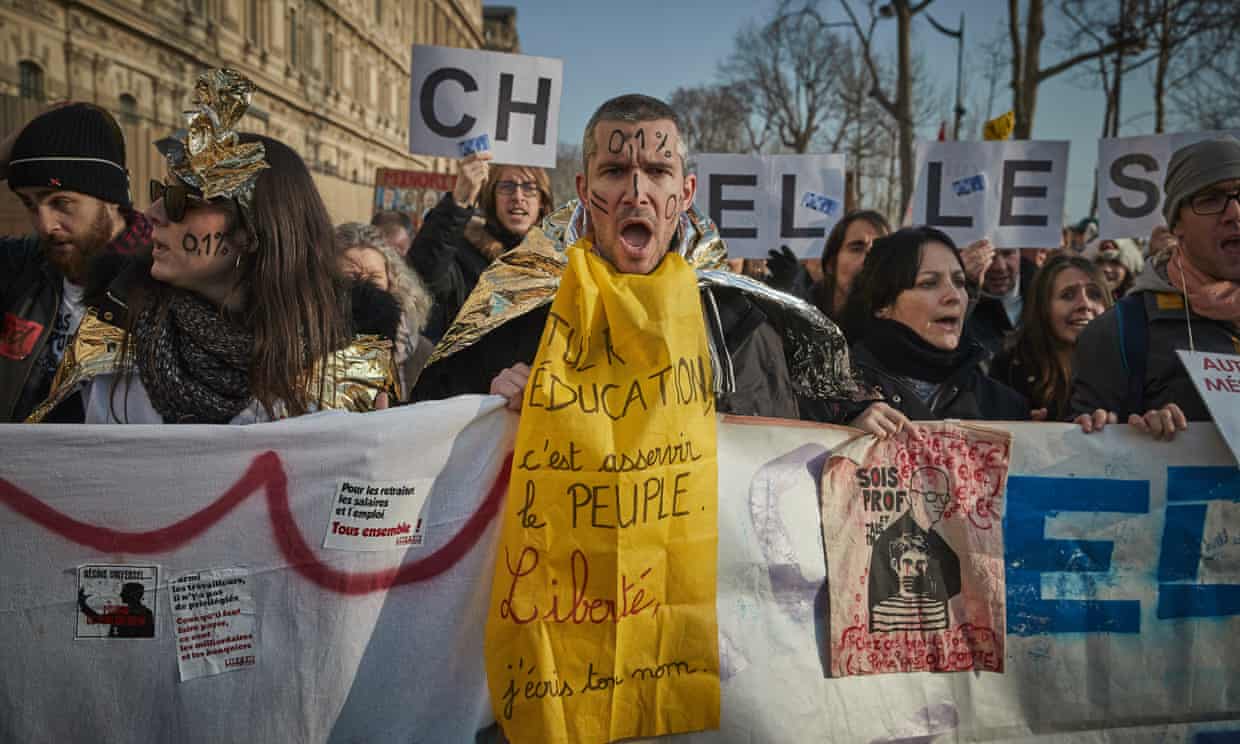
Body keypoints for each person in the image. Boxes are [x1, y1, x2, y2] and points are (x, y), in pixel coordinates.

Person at [415, 94, 861, 419]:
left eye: (656, 171)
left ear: (685, 193)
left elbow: (777, 451)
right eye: (614, 171)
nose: (636, 193)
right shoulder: (522, 307)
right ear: (585, 191)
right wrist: (487, 401)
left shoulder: (737, 323)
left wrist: (856, 418)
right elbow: (433, 420)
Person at [28, 69, 399, 424]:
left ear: (250, 233)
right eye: (159, 193)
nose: (152, 213)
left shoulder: (350, 365)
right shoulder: (112, 336)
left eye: (179, 201)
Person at [1071, 136, 1240, 441]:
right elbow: (1084, 460)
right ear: (1177, 224)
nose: (1235, 213)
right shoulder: (1120, 331)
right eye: (1211, 199)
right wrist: (1127, 433)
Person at [0, 103, 153, 422]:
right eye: (30, 204)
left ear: (111, 197)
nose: (45, 225)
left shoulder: (160, 280)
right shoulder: (24, 268)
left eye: (61, 202)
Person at [827, 226, 1029, 433]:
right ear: (883, 304)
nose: (954, 296)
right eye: (929, 283)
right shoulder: (832, 397)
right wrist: (844, 434)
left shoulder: (1006, 406)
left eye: (959, 282)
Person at [408, 151, 552, 341]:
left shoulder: (561, 263)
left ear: (542, 201)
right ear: (492, 197)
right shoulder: (462, 255)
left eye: (529, 188)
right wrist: (458, 202)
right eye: (507, 187)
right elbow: (422, 276)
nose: (518, 196)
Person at [990, 254, 1111, 420]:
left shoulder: (1131, 368)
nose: (1085, 304)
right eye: (1068, 295)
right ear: (1043, 308)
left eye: (1094, 295)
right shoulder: (1008, 370)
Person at [335, 222, 434, 397]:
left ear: (391, 281)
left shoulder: (420, 353)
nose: (365, 287)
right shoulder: (305, 347)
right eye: (351, 278)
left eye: (374, 277)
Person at [964, 246, 1037, 357]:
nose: (1000, 267)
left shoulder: (1046, 292)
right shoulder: (960, 308)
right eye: (989, 256)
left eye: (1007, 253)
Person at [78, 584, 154, 638]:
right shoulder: (146, 612)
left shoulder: (130, 612)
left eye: (124, 592)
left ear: (132, 595)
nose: (121, 595)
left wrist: (83, 604)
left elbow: (98, 618)